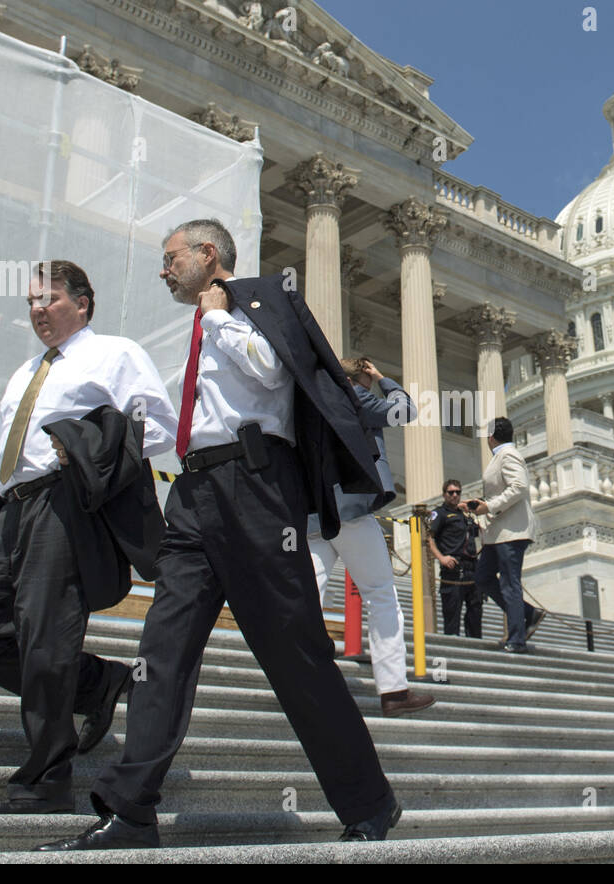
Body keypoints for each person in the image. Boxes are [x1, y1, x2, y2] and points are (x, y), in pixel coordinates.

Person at [37, 219, 399, 851]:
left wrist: (220, 318)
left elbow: (268, 374)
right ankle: (130, 810)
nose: (163, 269)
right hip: (195, 492)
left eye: (171, 257)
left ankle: (370, 803)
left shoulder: (262, 301)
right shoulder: (207, 320)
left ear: (208, 255)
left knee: (294, 652)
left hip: (256, 487)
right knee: (163, 648)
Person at [0, 261, 177, 813]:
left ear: (82, 304)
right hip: (11, 510)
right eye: (32, 303)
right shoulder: (24, 373)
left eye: (50, 299)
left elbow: (157, 426)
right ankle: (100, 685)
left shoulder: (115, 354)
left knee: (46, 638)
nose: (38, 310)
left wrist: (89, 451)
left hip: (64, 503)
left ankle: (46, 776)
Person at [306, 357, 435, 718]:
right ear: (360, 375)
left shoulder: (312, 397)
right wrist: (384, 378)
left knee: (307, 594)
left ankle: (302, 673)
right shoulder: (354, 396)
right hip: (349, 509)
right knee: (381, 595)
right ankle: (393, 691)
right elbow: (405, 411)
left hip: (313, 512)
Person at [470, 417, 544, 653]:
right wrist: (479, 505)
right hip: (498, 533)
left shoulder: (508, 455)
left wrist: (489, 507)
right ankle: (528, 614)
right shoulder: (501, 456)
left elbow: (519, 487)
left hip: (511, 532)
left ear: (490, 437)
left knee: (510, 584)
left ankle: (517, 639)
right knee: (483, 577)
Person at [428, 478, 483, 638]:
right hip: (453, 569)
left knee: (475, 611)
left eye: (458, 492)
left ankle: (476, 650)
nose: (454, 495)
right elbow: (427, 537)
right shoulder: (438, 513)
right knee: (452, 614)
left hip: (472, 568)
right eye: (451, 492)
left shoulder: (465, 515)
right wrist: (441, 558)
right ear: (444, 494)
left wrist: (469, 509)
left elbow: (479, 534)